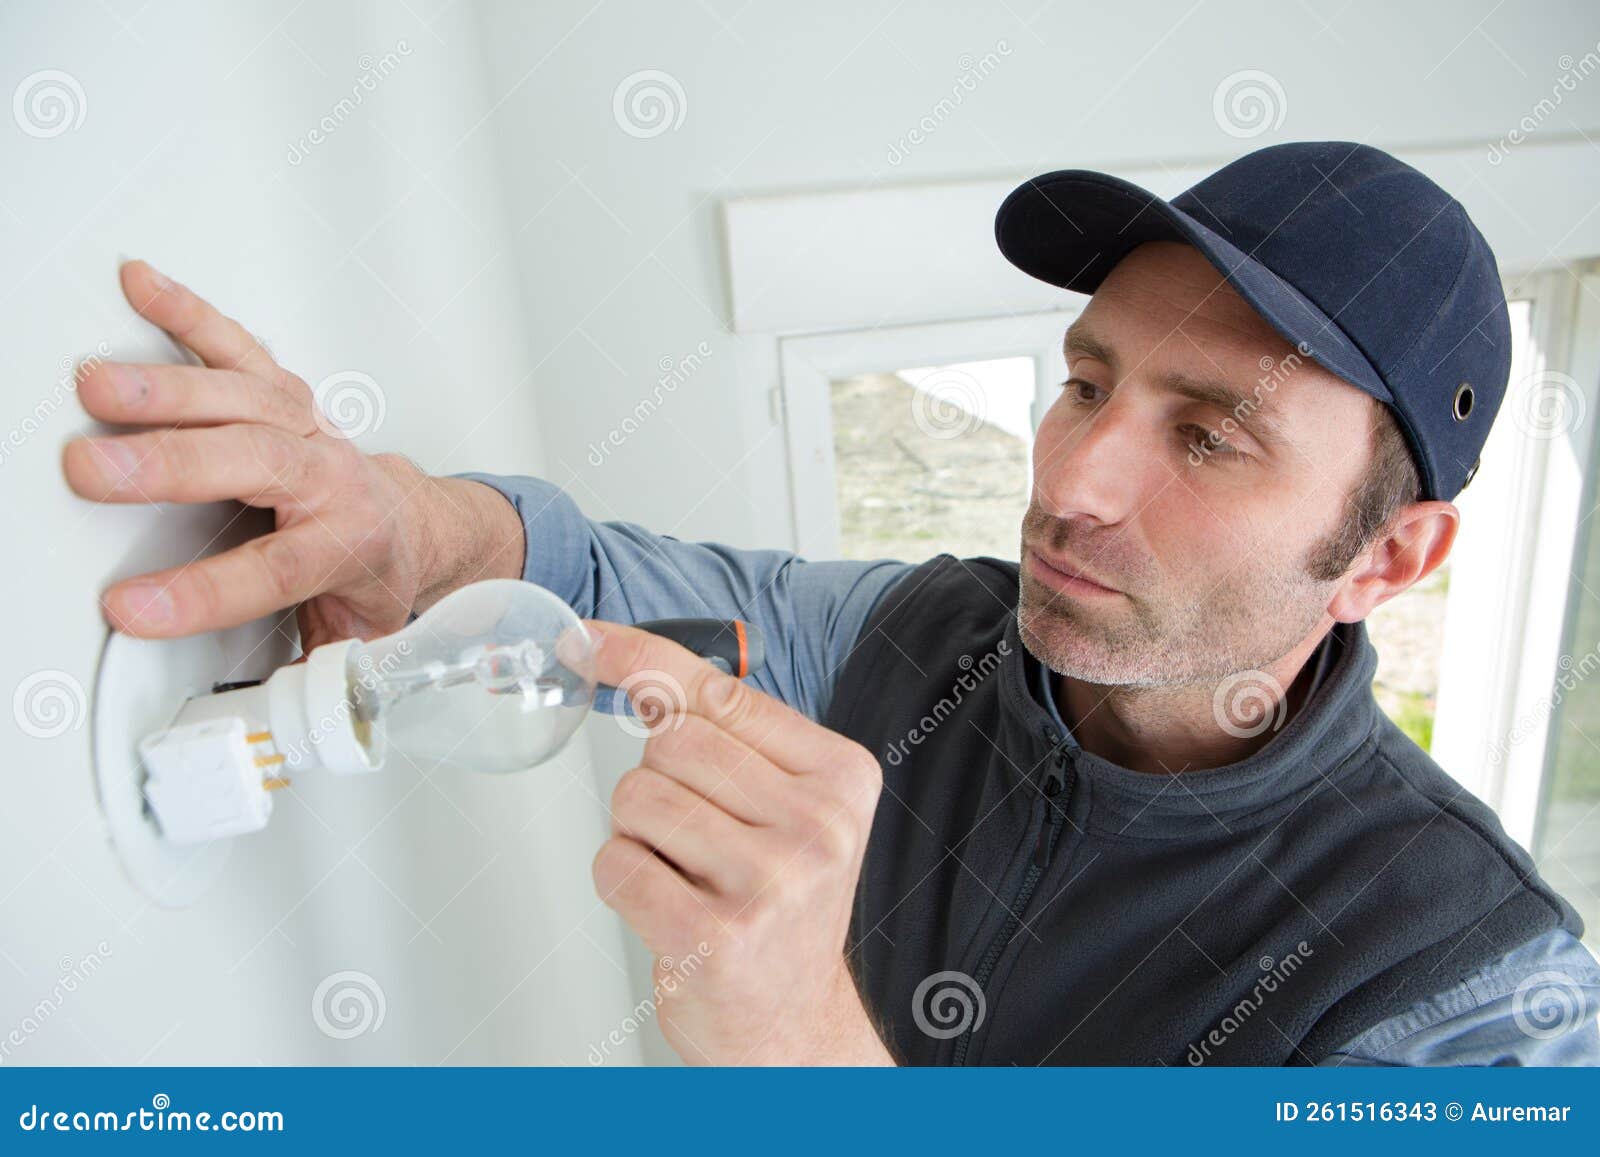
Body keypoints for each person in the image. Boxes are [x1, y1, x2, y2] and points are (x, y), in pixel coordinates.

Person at [64, 141, 1600, 1066]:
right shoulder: (915, 645)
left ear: (1390, 557)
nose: (1074, 480)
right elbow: (594, 596)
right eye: (1084, 382)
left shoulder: (1476, 992)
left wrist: (808, 1055)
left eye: (1207, 435)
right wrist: (409, 526)